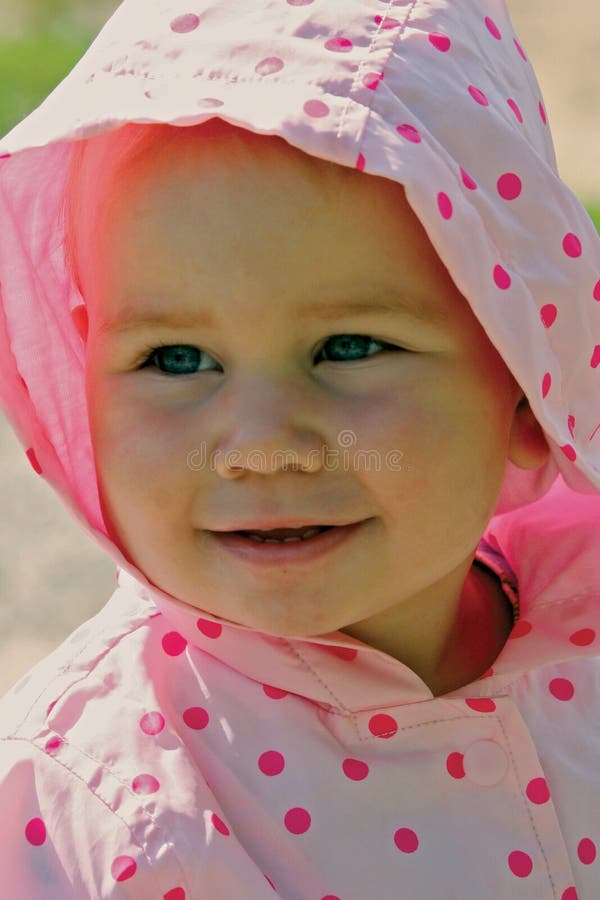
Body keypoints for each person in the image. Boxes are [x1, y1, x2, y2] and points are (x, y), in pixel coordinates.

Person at [0, 0, 598, 896]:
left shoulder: (578, 631)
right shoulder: (99, 805)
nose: (261, 449)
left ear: (525, 381)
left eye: (349, 347)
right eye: (175, 359)